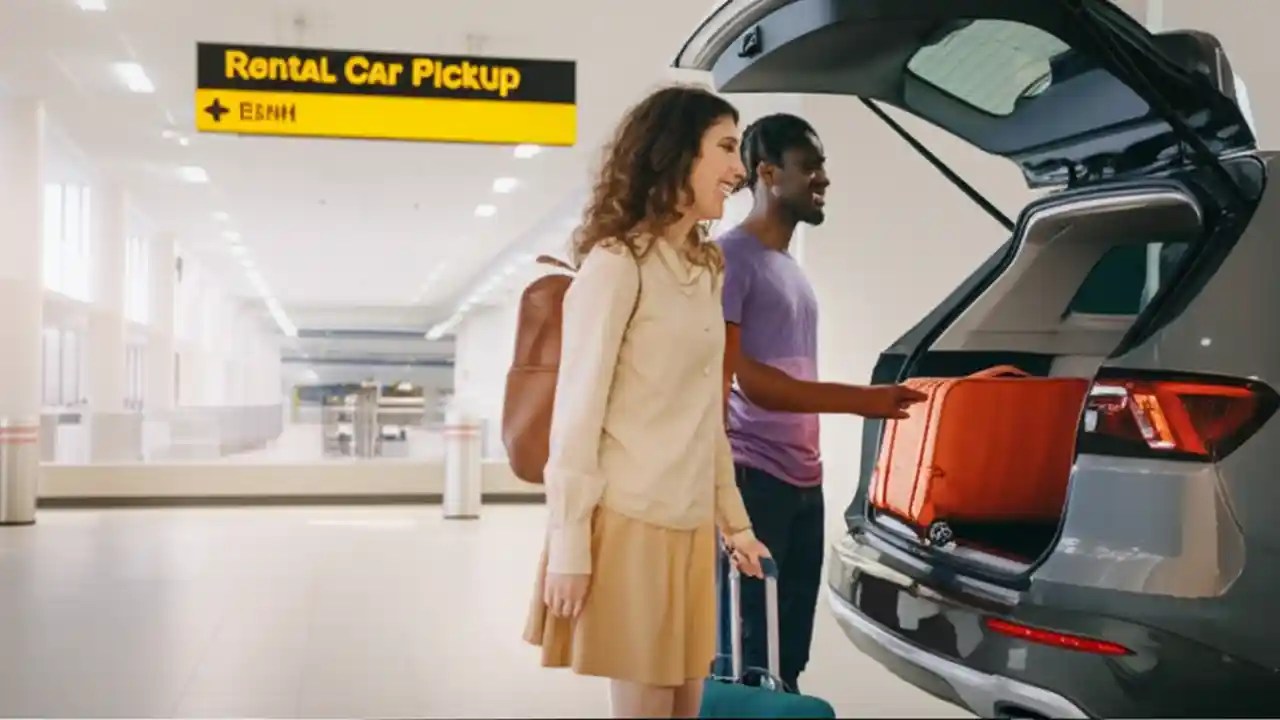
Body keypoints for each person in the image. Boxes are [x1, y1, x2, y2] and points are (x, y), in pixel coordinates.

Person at [522, 85, 773, 719]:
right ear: (677, 154)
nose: (739, 169)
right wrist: (569, 547)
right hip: (630, 521)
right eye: (726, 148)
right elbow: (576, 417)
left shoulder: (705, 267)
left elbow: (705, 413)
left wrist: (735, 523)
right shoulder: (616, 264)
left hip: (688, 525)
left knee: (685, 705)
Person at [717, 113, 927, 693]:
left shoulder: (788, 268)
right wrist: (861, 401)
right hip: (753, 481)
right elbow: (749, 381)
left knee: (789, 653)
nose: (824, 178)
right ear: (767, 173)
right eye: (809, 166)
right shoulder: (730, 258)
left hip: (804, 483)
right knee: (750, 653)